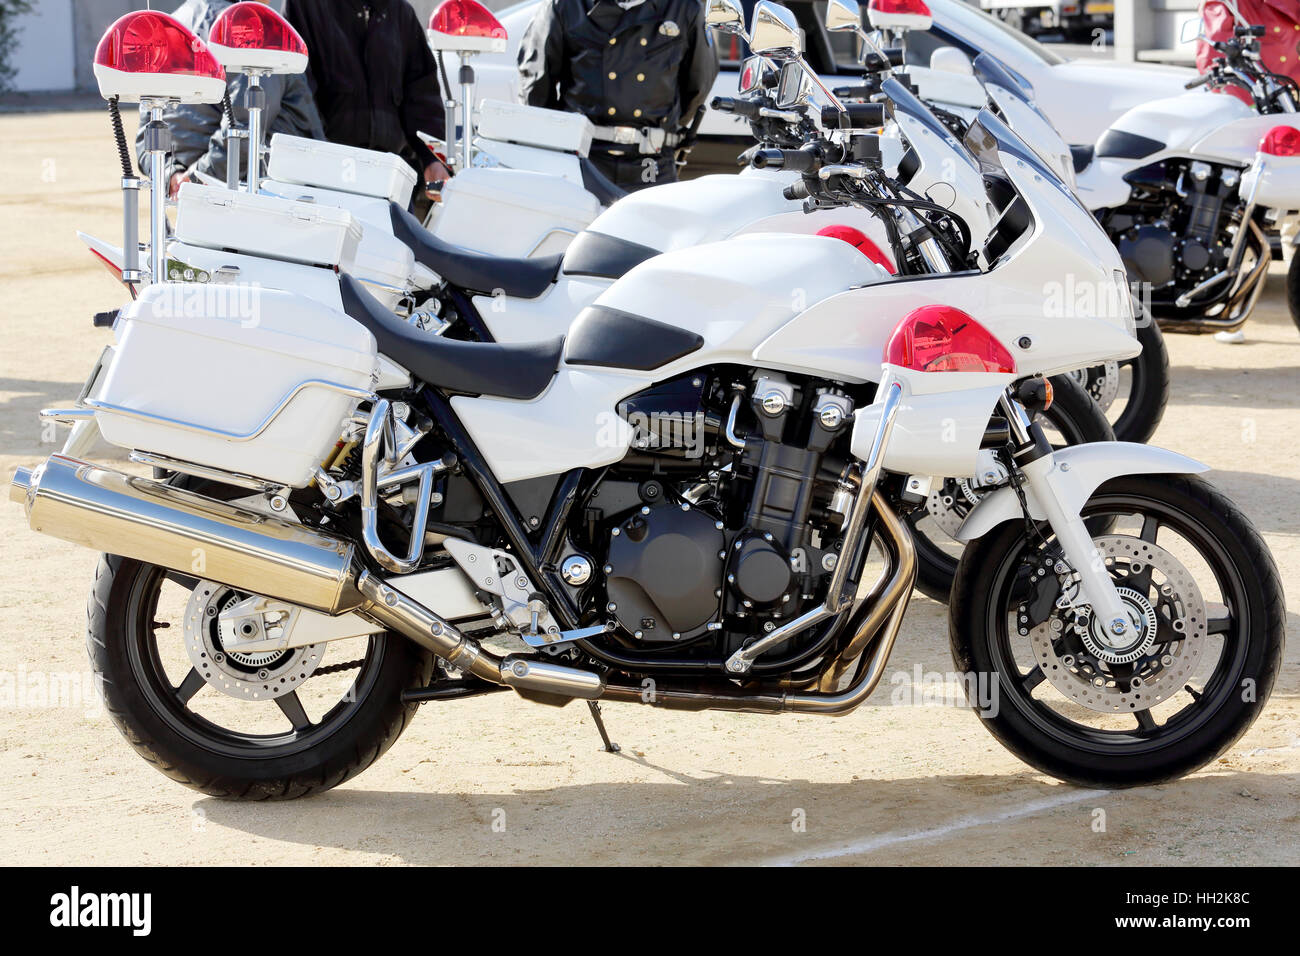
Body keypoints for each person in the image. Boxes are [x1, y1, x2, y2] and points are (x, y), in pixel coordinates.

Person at [517, 0, 719, 190]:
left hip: (652, 163)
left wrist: (662, 130)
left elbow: (698, 85)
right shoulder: (567, 6)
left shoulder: (683, 8)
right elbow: (536, 87)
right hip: (581, 160)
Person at [135, 0, 325, 197]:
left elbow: (147, 134)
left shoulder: (166, 27)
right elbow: (244, 130)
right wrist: (195, 179)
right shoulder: (252, 28)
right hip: (269, 194)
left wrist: (173, 175)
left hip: (197, 195)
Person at [283, 0, 451, 200]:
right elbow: (300, 94)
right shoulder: (304, 6)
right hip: (325, 175)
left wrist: (432, 159)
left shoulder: (401, 14)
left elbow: (423, 97)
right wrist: (322, 154)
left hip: (389, 176)